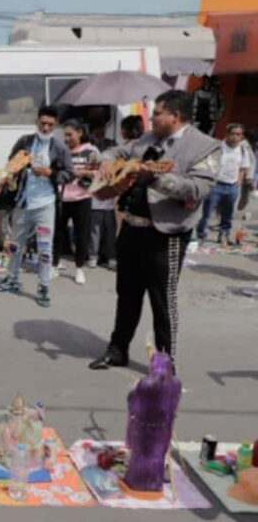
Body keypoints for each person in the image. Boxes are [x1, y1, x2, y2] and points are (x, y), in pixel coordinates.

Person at [89, 90, 219, 371]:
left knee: (162, 301)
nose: (152, 118)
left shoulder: (206, 146)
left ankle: (164, 363)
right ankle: (117, 350)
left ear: (175, 116)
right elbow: (116, 151)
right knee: (127, 295)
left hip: (167, 235)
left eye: (157, 113)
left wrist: (157, 178)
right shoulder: (147, 139)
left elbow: (198, 188)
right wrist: (107, 160)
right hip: (132, 229)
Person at [0, 106, 74, 307]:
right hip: (23, 202)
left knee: (45, 248)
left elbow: (70, 174)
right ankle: (12, 279)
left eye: (50, 125)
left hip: (46, 204)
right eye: (43, 123)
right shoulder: (25, 141)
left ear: (55, 126)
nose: (46, 128)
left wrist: (50, 173)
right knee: (14, 244)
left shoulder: (60, 148)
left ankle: (43, 286)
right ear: (36, 122)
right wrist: (16, 168)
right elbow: (11, 162)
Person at [90, 115, 145, 270]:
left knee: (120, 228)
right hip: (134, 195)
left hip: (124, 193)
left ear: (128, 130)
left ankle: (116, 258)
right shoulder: (141, 145)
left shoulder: (129, 148)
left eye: (122, 128)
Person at [53, 119, 98, 285]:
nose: (67, 138)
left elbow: (97, 172)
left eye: (70, 134)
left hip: (82, 198)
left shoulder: (91, 150)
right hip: (62, 197)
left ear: (80, 133)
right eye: (65, 135)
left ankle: (79, 268)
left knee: (82, 235)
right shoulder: (61, 150)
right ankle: (54, 265)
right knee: (57, 233)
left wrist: (78, 172)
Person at [196, 123, 250, 245]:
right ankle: (201, 236)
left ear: (241, 136)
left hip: (232, 187)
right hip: (216, 185)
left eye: (238, 134)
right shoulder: (218, 147)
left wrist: (238, 183)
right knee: (207, 213)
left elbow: (243, 168)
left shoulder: (242, 149)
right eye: (233, 134)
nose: (235, 137)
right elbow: (208, 164)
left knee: (228, 214)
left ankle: (224, 234)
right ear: (227, 134)